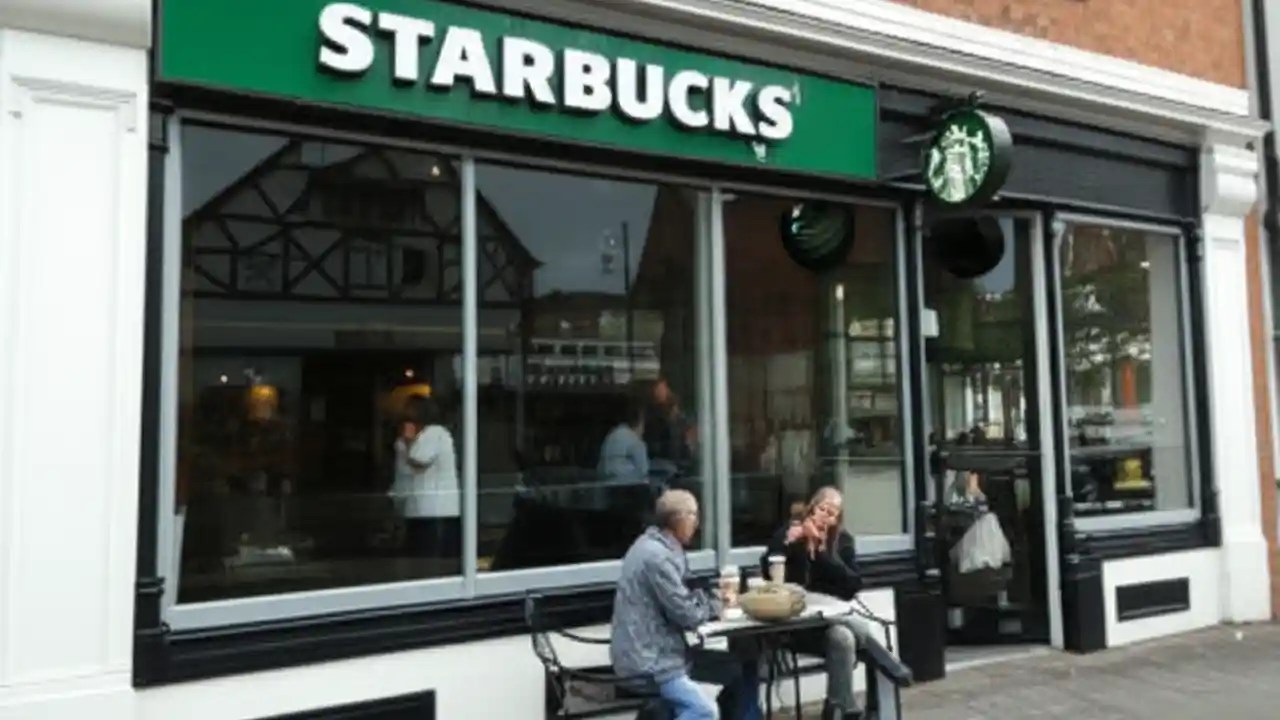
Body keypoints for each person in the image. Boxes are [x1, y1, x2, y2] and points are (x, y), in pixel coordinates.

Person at [611, 490, 761, 720]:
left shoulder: (652, 545)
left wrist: (708, 600)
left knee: (736, 668)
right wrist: (718, 605)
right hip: (651, 663)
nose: (697, 523)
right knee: (704, 711)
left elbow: (687, 595)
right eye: (694, 516)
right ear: (679, 518)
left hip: (652, 652)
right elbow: (688, 615)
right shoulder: (658, 558)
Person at [762, 486, 870, 720]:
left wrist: (822, 553)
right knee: (800, 594)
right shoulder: (790, 533)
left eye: (833, 514)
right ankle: (862, 631)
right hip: (795, 627)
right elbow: (768, 573)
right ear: (812, 508)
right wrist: (791, 543)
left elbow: (853, 585)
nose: (826, 517)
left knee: (842, 637)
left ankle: (837, 708)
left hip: (827, 626)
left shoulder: (842, 541)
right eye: (822, 509)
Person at [392, 394, 460, 562]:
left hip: (435, 511)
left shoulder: (436, 434)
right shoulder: (405, 441)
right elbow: (403, 475)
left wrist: (408, 442)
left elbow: (420, 461)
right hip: (415, 511)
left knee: (431, 560)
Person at [598, 395, 649, 483]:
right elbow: (643, 471)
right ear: (639, 422)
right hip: (628, 487)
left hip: (605, 486)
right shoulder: (636, 442)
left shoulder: (611, 436)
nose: (644, 431)